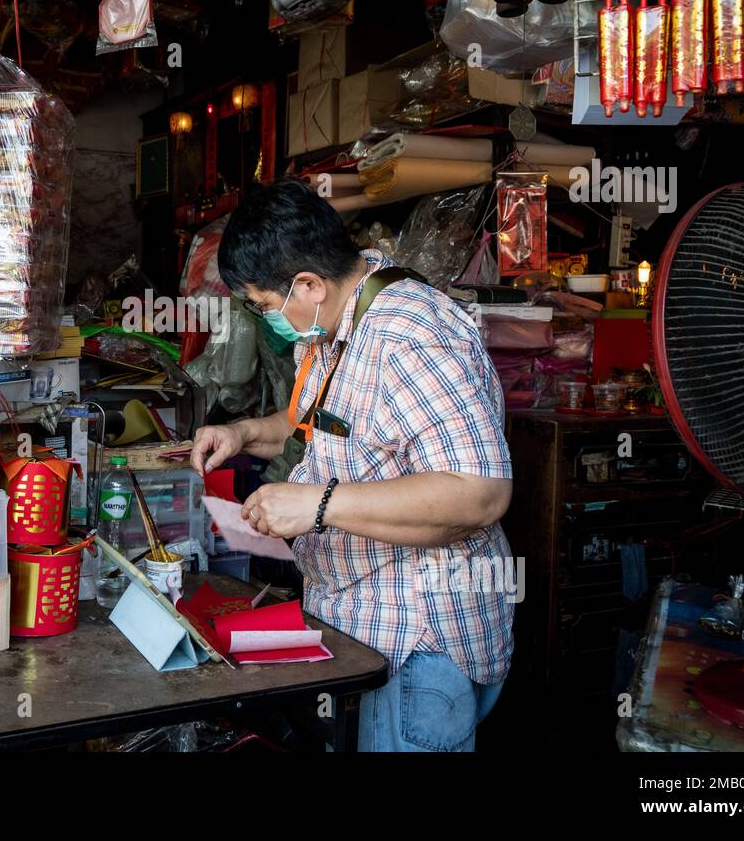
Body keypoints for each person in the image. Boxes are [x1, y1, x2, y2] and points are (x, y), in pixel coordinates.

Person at [192, 177, 515, 752]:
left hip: (417, 642)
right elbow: (319, 424)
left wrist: (318, 504)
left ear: (309, 284)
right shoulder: (337, 321)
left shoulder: (409, 335)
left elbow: (481, 494)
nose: (270, 320)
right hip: (362, 626)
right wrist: (240, 432)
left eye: (266, 307)